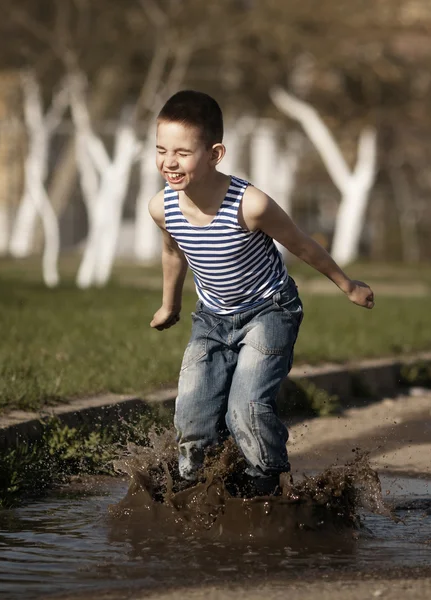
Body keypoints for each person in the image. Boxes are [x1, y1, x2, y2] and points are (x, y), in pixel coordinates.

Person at [148, 90, 374, 496]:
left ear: (215, 154)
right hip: (212, 319)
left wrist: (348, 285)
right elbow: (172, 252)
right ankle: (195, 484)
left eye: (182, 152)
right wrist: (170, 305)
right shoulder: (162, 207)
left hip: (269, 312)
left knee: (245, 408)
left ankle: (265, 485)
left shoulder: (249, 204)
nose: (169, 162)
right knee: (192, 412)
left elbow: (301, 244)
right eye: (161, 150)